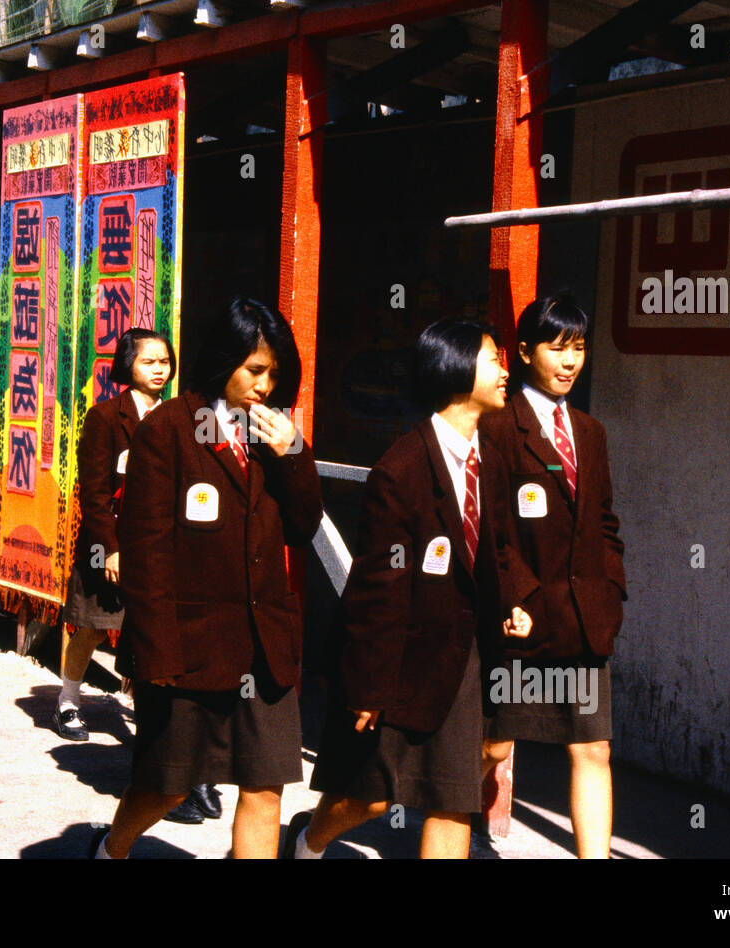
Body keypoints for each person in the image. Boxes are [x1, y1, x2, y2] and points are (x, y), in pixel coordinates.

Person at [285, 318, 528, 860]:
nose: (505, 370)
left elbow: (501, 551)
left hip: (467, 658)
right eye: (493, 358)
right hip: (401, 661)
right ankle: (309, 841)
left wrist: (514, 602)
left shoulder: (492, 460)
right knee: (370, 797)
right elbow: (379, 590)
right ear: (455, 368)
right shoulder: (402, 469)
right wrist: (369, 686)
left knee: (453, 796)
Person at [90, 297, 322, 859]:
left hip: (265, 647)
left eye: (275, 374)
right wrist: (157, 654)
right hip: (187, 648)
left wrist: (291, 454)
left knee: (265, 788)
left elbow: (303, 524)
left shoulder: (275, 438)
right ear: (224, 361)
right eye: (255, 370)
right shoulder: (169, 429)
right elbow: (147, 552)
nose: (265, 386)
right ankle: (112, 848)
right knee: (166, 785)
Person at [478, 294, 627, 859]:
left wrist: (612, 590)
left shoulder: (591, 432)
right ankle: (450, 820)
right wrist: (514, 596)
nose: (569, 362)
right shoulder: (497, 426)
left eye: (579, 349)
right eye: (556, 348)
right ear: (522, 353)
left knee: (592, 750)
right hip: (523, 620)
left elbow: (606, 522)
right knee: (493, 747)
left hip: (585, 622)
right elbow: (487, 525)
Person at [55, 328, 218, 823]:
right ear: (128, 367)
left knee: (152, 643)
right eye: (149, 362)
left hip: (162, 553)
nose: (160, 369)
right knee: (89, 624)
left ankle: (180, 767)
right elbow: (94, 492)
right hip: (114, 545)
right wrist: (110, 548)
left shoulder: (183, 418)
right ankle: (67, 698)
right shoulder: (106, 417)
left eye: (165, 361)